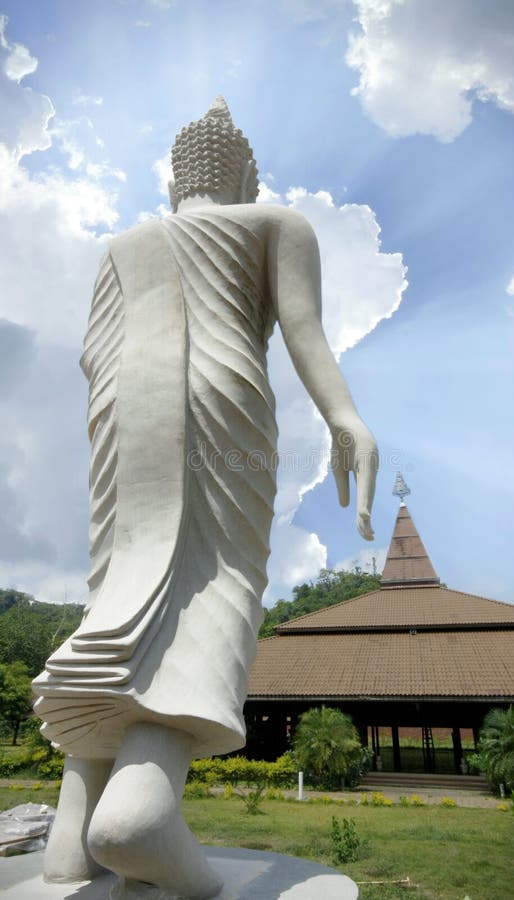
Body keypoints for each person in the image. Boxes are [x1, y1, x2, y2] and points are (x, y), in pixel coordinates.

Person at [33, 96, 377, 898]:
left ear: (174, 178)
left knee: (125, 581)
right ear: (244, 173)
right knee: (207, 586)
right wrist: (345, 416)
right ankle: (137, 826)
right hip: (224, 403)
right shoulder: (275, 221)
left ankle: (68, 849)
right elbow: (302, 330)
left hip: (126, 414)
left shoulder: (125, 244)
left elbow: (95, 356)